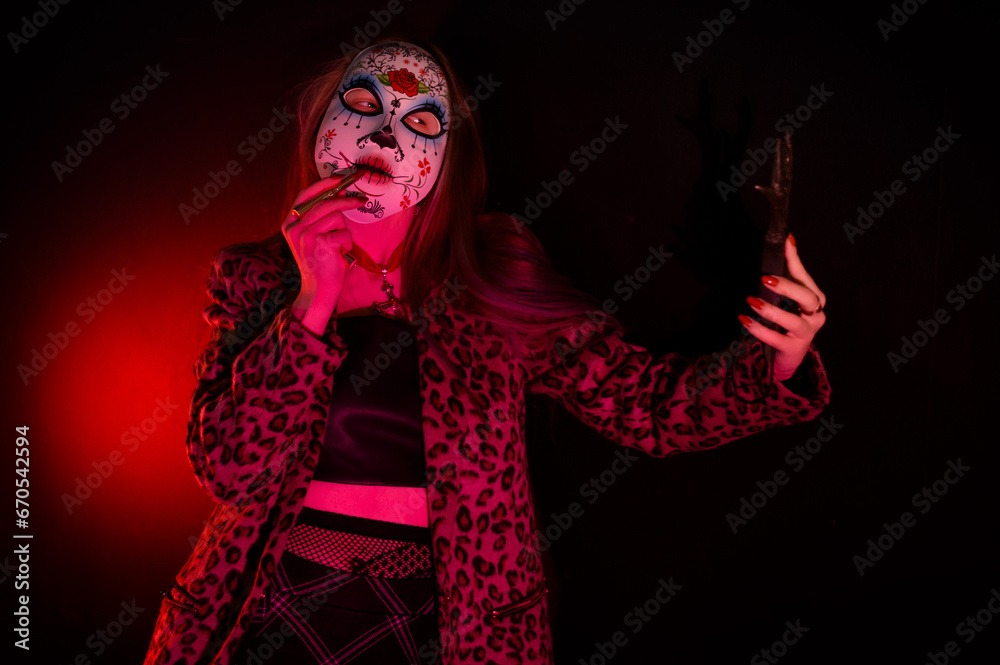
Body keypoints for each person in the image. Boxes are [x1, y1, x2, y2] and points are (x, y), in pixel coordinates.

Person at [143, 38, 830, 665]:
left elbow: (645, 408)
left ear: (446, 158)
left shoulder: (491, 280)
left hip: (446, 631)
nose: (384, 132)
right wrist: (311, 303)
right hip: (267, 616)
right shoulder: (255, 281)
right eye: (362, 103)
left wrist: (775, 358)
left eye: (419, 121)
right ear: (320, 122)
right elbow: (230, 468)